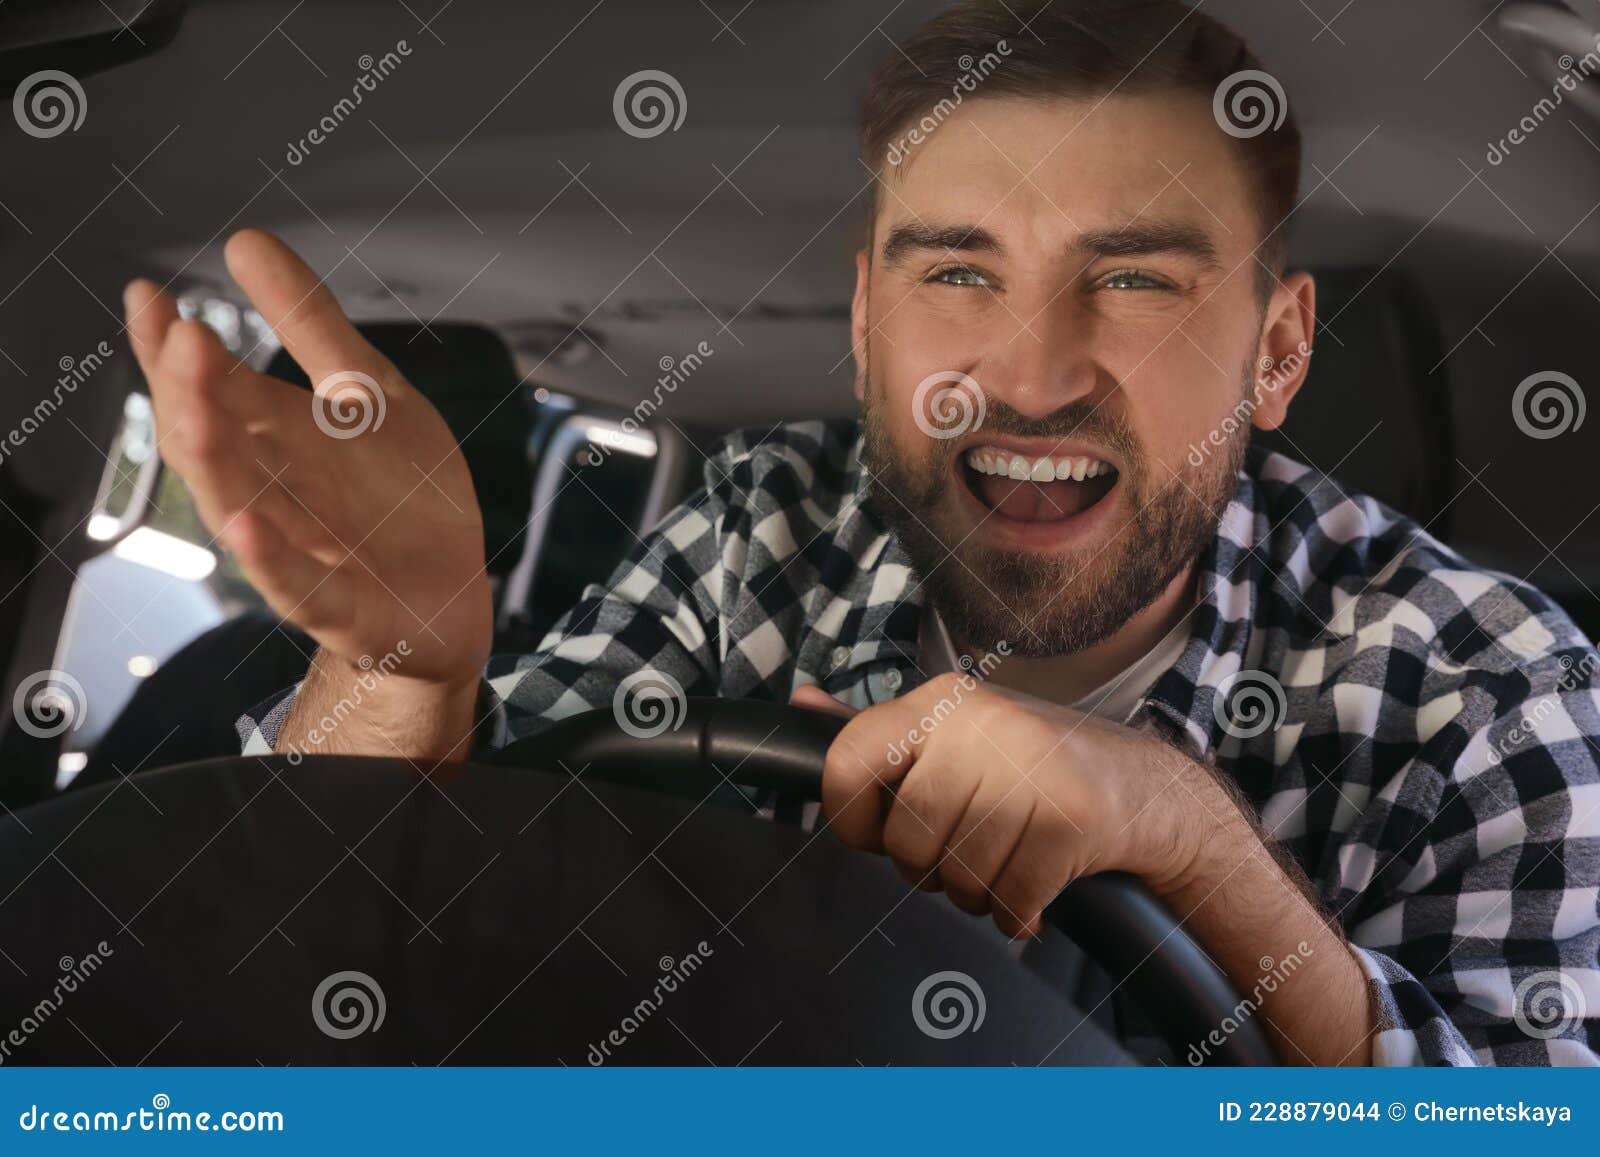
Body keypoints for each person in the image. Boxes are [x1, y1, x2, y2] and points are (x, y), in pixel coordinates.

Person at [122, 0, 1600, 1066]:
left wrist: (1189, 840)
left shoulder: (1489, 685)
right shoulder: (760, 540)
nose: (1027, 372)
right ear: (866, 320)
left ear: (1276, 354)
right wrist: (387, 685)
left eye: (1136, 282)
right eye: (957, 271)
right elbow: (314, 971)